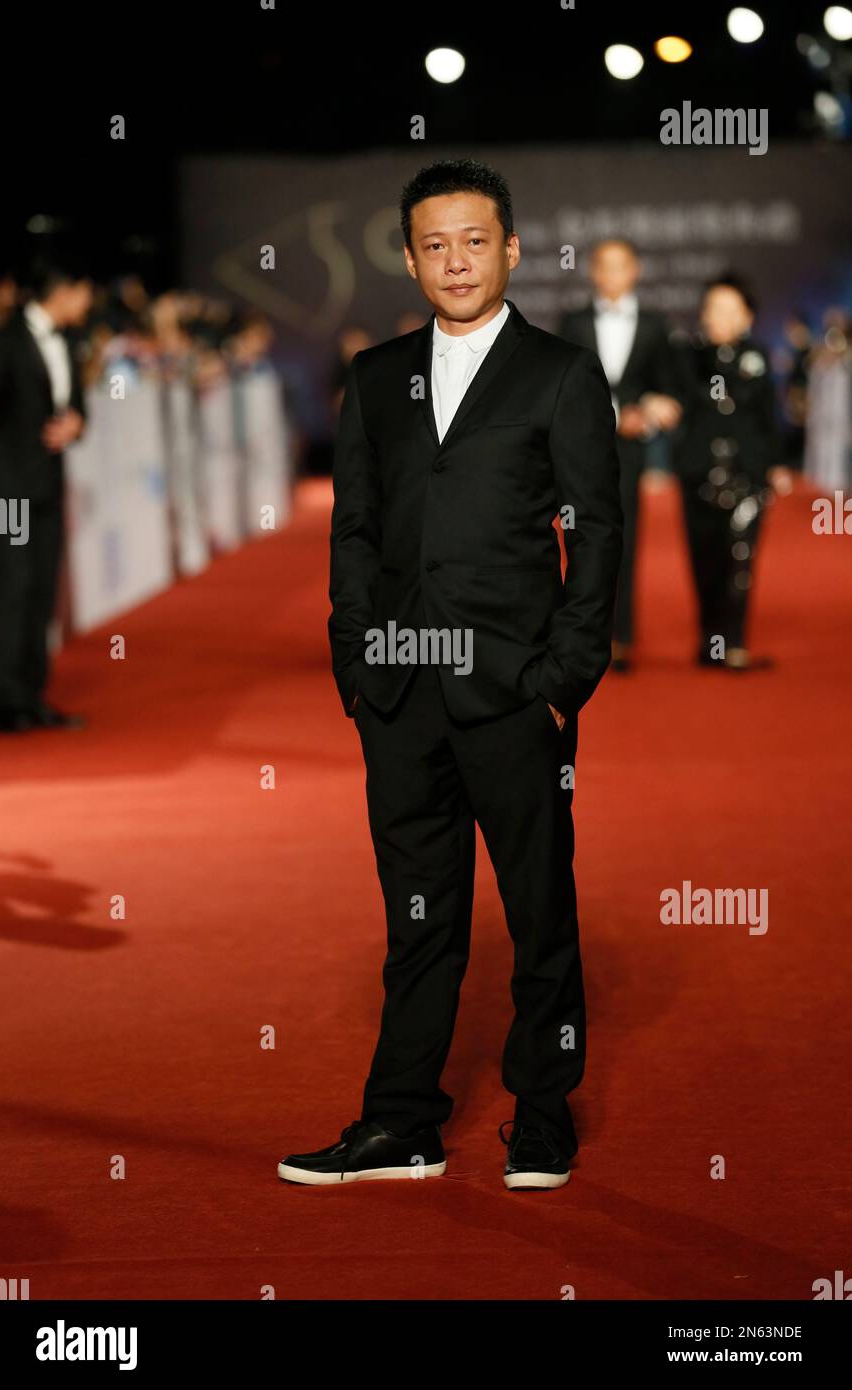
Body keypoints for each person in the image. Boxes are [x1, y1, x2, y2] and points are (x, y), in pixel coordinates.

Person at [278, 158, 623, 1191]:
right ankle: (402, 1122)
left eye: (475, 241)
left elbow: (597, 533)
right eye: (435, 243)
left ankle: (543, 1109)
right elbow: (354, 529)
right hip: (397, 692)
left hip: (513, 690)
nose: (456, 260)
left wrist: (564, 672)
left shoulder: (558, 372)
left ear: (509, 250)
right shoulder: (377, 376)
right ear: (410, 255)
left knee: (536, 908)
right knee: (416, 914)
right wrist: (354, 658)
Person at [558, 238, 681, 671]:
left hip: (629, 452)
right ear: (592, 271)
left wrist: (647, 413)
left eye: (620, 265)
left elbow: (667, 389)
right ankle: (581, 634)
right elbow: (562, 387)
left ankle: (621, 638)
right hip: (580, 449)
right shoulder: (570, 323)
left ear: (635, 270)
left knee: (624, 540)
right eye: (604, 266)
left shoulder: (654, 325)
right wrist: (614, 413)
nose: (612, 274)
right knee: (579, 538)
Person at [0, 255, 93, 731]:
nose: (89, 303)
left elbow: (78, 408)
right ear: (64, 291)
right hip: (7, 493)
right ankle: (10, 703)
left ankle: (32, 695)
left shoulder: (69, 341)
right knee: (14, 589)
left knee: (44, 591)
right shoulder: (6, 339)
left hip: (49, 487)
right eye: (85, 292)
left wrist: (77, 424)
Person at [673, 273, 786, 671]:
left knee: (740, 558)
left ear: (747, 317)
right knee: (705, 559)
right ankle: (711, 642)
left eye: (729, 309)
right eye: (712, 309)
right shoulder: (687, 356)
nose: (718, 317)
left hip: (748, 474)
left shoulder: (759, 358)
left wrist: (775, 465)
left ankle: (734, 643)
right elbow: (684, 404)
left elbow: (769, 419)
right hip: (697, 471)